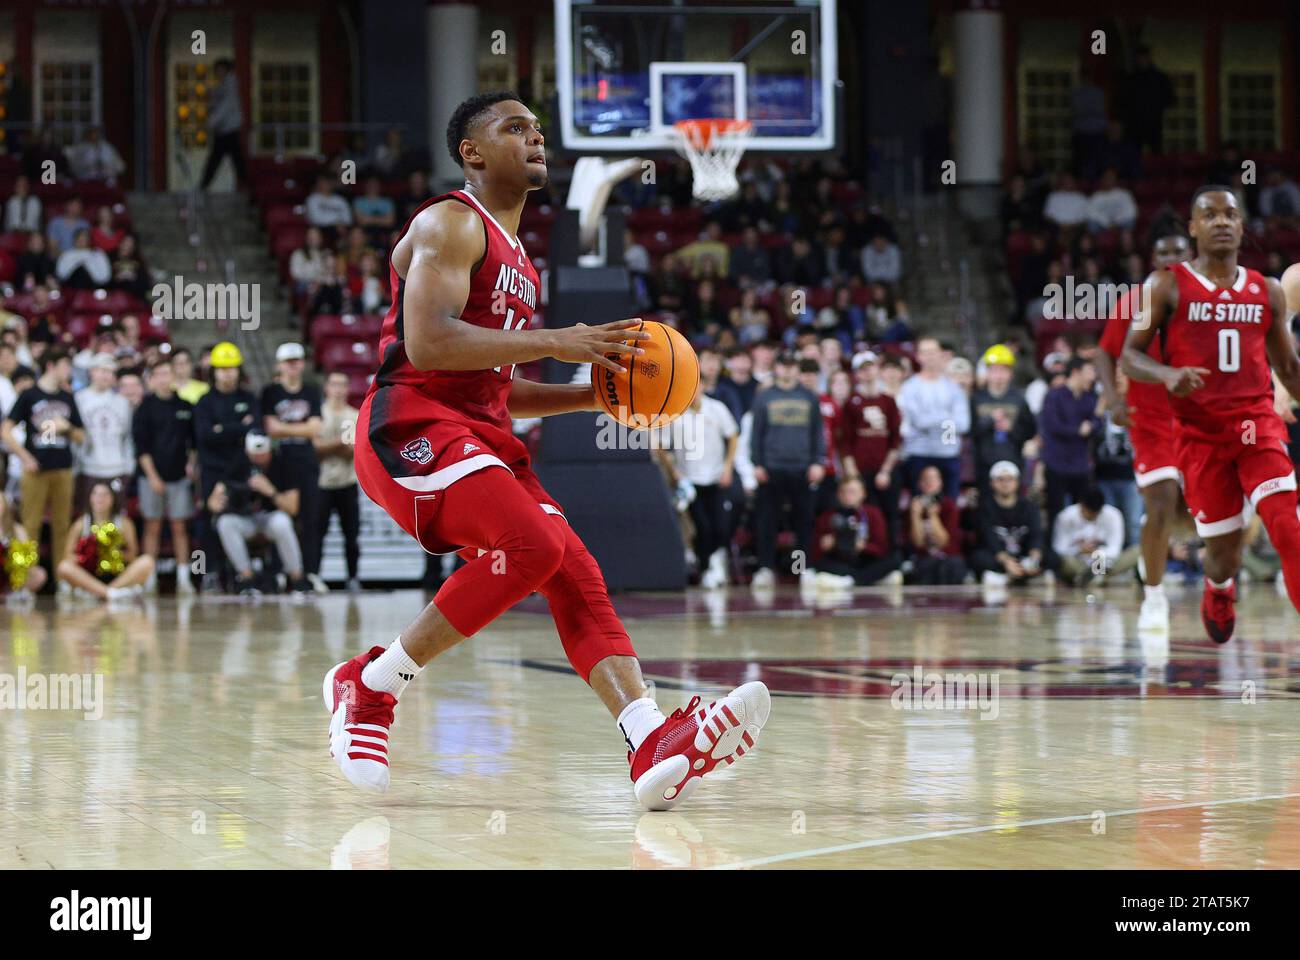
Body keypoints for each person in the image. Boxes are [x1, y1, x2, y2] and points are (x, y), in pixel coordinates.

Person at [333, 91, 771, 808]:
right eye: (514, 128)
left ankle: (648, 735)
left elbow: (496, 387)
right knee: (531, 545)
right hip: (408, 425)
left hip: (478, 433)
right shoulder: (448, 221)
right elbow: (429, 343)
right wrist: (559, 342)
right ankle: (373, 685)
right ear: (472, 152)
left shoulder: (521, 265)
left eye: (538, 129)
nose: (535, 138)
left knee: (574, 569)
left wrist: (591, 396)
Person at [1123, 185, 1300, 643]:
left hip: (1256, 426)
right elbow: (1129, 357)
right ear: (1194, 227)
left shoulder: (1268, 289)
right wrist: (1166, 374)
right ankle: (1219, 586)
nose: (1221, 221)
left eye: (1230, 215)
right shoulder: (1165, 285)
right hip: (1201, 438)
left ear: (1242, 227)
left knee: (1287, 528)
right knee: (1225, 556)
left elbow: (1289, 368)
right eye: (1210, 215)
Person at [1093, 224, 1198, 626]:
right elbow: (1104, 354)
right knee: (1160, 502)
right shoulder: (1134, 301)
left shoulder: (1208, 304)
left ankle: (1216, 581)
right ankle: (1154, 596)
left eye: (1179, 254)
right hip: (1150, 420)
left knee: (1205, 515)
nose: (1172, 262)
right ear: (1152, 263)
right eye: (1163, 255)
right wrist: (1114, 401)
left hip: (1200, 421)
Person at [0, 349, 85, 569]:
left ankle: (63, 578)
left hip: (63, 469)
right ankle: (27, 578)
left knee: (62, 525)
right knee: (31, 524)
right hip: (35, 469)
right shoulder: (29, 395)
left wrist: (67, 428)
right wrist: (25, 457)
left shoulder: (68, 397)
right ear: (51, 366)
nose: (68, 371)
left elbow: (81, 437)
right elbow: (6, 431)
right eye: (65, 365)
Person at [749, 352, 825, 590]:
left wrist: (817, 462)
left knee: (803, 522)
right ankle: (765, 568)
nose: (788, 370)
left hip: (802, 467)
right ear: (777, 368)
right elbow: (756, 434)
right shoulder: (764, 397)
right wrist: (757, 463)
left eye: (792, 366)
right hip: (772, 467)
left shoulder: (809, 397)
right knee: (767, 521)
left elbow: (817, 433)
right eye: (784, 365)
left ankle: (803, 569)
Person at [652, 390, 739, 589]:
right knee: (701, 526)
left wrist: (727, 467)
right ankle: (706, 567)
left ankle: (718, 561)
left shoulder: (716, 408)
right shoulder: (674, 412)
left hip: (717, 478)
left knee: (722, 525)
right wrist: (674, 472)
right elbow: (660, 446)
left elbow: (733, 435)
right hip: (690, 481)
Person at [209, 431, 310, 598]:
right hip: (245, 519)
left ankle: (297, 579)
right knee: (225, 523)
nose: (259, 458)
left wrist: (270, 491)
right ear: (248, 452)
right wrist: (218, 503)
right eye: (255, 454)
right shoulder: (239, 463)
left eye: (263, 453)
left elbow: (293, 508)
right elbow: (213, 500)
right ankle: (246, 579)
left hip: (270, 518)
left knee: (283, 523)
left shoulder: (284, 464)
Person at [194, 341, 259, 590]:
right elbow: (205, 437)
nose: (227, 373)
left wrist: (222, 429)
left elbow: (254, 431)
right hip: (212, 472)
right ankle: (209, 573)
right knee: (211, 522)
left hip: (242, 471)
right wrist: (238, 427)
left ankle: (242, 576)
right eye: (222, 368)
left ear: (238, 370)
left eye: (231, 368)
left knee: (243, 520)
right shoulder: (205, 402)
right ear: (214, 371)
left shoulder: (249, 398)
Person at [261, 342, 325, 592]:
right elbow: (270, 428)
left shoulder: (310, 390)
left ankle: (310, 572)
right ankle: (279, 571)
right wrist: (302, 429)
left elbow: (316, 428)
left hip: (307, 460)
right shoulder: (270, 392)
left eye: (297, 361)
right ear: (279, 365)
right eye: (288, 362)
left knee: (311, 518)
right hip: (280, 461)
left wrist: (285, 429)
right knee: (281, 517)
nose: (293, 366)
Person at [133, 356, 197, 594]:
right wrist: (153, 477)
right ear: (151, 379)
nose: (164, 378)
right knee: (152, 525)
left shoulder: (184, 406)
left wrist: (191, 464)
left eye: (167, 373)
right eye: (158, 374)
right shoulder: (145, 408)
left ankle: (184, 577)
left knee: (180, 526)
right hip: (151, 477)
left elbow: (194, 444)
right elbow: (141, 447)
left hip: (179, 477)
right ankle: (148, 577)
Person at [55, 479, 153, 601]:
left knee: (147, 561)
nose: (99, 498)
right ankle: (111, 593)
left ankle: (102, 592)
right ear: (90, 498)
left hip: (117, 573)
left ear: (112, 499)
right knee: (63, 567)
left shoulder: (124, 523)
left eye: (104, 495)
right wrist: (88, 557)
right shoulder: (81, 524)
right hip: (89, 574)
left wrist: (112, 555)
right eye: (96, 494)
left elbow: (133, 554)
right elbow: (68, 555)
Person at [898, 336, 969, 499]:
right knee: (919, 506)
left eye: (933, 352)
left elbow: (963, 424)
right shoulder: (910, 388)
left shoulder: (953, 388)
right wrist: (947, 416)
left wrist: (935, 422)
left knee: (950, 506)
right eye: (925, 352)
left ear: (940, 354)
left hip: (948, 453)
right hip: (918, 453)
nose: (929, 356)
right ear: (918, 356)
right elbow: (919, 422)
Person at [1038, 356, 1100, 536]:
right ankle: (1054, 554)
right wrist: (1078, 430)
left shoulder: (1090, 397)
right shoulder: (1054, 395)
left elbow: (1097, 423)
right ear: (1076, 372)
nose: (1092, 377)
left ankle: (1080, 550)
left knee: (1082, 512)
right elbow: (1052, 425)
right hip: (1056, 463)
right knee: (1055, 512)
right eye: (1089, 372)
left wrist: (1090, 427)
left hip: (1080, 465)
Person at [812, 475, 902, 588]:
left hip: (866, 560)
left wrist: (864, 546)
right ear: (838, 494)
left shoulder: (873, 513)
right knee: (820, 565)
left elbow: (882, 547)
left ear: (863, 493)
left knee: (895, 559)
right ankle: (867, 579)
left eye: (852, 492)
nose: (847, 496)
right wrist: (825, 545)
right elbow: (814, 552)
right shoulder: (828, 516)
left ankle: (852, 580)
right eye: (843, 492)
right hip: (840, 560)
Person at [316, 371, 362, 591]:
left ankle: (352, 577)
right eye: (334, 384)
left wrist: (326, 445)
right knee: (317, 533)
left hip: (347, 482)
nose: (338, 389)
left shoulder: (354, 414)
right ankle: (314, 575)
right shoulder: (318, 414)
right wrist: (338, 444)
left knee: (351, 535)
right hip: (322, 482)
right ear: (326, 387)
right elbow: (313, 449)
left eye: (342, 384)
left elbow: (350, 451)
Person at [970, 344, 1035, 494]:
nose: (998, 375)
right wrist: (989, 421)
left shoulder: (1019, 399)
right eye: (994, 370)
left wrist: (1011, 428)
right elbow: (971, 430)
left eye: (1003, 370)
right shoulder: (977, 398)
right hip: (984, 462)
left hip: (1013, 461)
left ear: (1011, 373)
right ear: (987, 372)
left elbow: (1030, 430)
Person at [73, 353, 133, 513]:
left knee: (116, 515)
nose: (107, 375)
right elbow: (75, 436)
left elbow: (127, 437)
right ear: (92, 372)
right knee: (88, 515)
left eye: (111, 372)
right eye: (103, 370)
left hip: (117, 468)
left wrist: (128, 466)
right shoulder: (79, 399)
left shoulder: (122, 402)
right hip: (88, 468)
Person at [971, 461, 1044, 586]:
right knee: (978, 557)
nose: (1005, 484)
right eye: (1000, 479)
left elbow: (1036, 534)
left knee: (1050, 556)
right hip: (999, 557)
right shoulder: (984, 508)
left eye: (1010, 479)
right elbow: (988, 538)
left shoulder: (1029, 507)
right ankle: (1013, 577)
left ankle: (1013, 576)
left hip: (1023, 555)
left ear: (1017, 482)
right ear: (992, 483)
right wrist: (1006, 562)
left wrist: (1034, 559)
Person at [1051, 487, 1138, 587]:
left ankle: (1092, 579)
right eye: (1089, 512)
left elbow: (1115, 548)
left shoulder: (1113, 515)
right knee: (1064, 561)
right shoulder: (1065, 516)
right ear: (1081, 505)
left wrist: (1096, 552)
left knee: (1137, 551)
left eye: (1095, 514)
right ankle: (1093, 579)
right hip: (1078, 563)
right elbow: (1059, 549)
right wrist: (1079, 549)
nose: (1092, 516)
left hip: (1105, 563)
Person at [904, 464, 966, 585]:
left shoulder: (949, 506)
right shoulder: (913, 508)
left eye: (933, 478)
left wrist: (933, 517)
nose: (929, 482)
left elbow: (944, 542)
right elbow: (918, 542)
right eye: (926, 479)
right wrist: (915, 516)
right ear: (919, 484)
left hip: (948, 557)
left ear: (940, 482)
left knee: (949, 566)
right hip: (924, 558)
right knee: (925, 566)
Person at [201, 58, 247, 190]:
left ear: (226, 70)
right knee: (235, 160)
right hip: (225, 130)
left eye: (220, 69)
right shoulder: (224, 85)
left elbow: (225, 107)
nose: (218, 72)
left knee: (220, 159)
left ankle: (204, 185)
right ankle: (246, 185)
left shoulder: (230, 85)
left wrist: (211, 123)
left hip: (228, 130)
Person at [0, 494, 48, 600]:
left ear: (5, 506)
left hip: (11, 575)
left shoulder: (16, 529)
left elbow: (29, 556)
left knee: (39, 574)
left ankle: (11, 594)